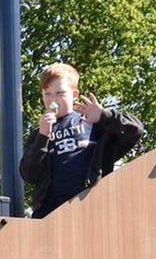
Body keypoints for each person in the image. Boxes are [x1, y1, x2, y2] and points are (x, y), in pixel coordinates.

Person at [19, 62, 145, 219]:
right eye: (47, 93)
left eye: (59, 93)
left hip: (91, 209)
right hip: (50, 214)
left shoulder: (92, 122)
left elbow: (135, 130)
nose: (52, 99)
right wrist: (42, 137)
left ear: (74, 95)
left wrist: (103, 115)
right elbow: (29, 174)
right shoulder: (39, 133)